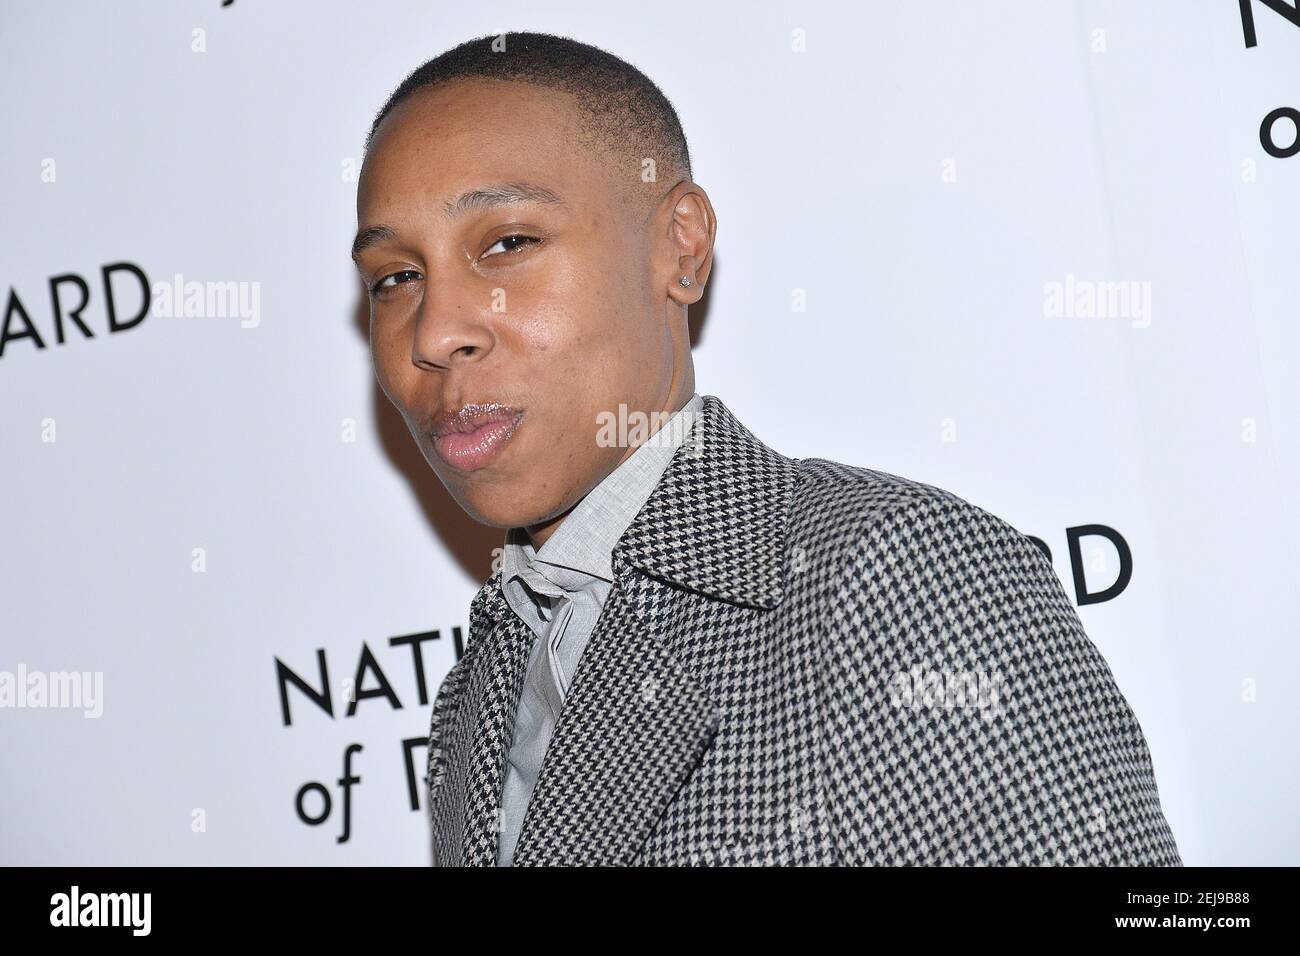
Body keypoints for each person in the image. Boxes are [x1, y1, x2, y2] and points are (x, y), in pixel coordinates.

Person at [352, 31, 1181, 866]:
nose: (436, 332)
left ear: (680, 245)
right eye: (395, 278)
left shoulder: (896, 577)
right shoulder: (481, 685)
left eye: (507, 244)